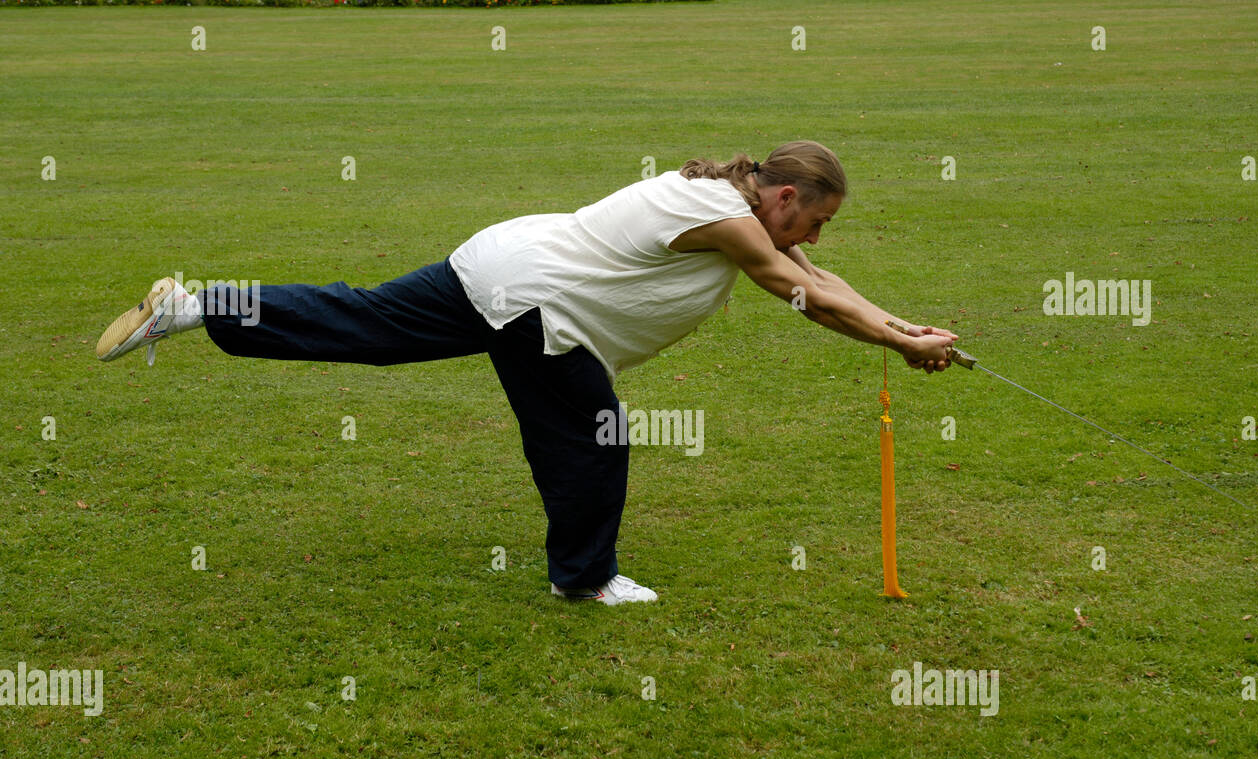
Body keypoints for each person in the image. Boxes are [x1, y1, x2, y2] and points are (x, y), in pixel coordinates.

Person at [96, 140, 957, 606]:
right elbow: (800, 292)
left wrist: (902, 326)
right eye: (818, 217)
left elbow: (822, 282)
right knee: (592, 439)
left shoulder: (729, 201)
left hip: (499, 260)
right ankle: (583, 578)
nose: (819, 236)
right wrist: (897, 343)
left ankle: (198, 304)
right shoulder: (733, 225)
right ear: (781, 199)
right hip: (536, 309)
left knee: (362, 319)